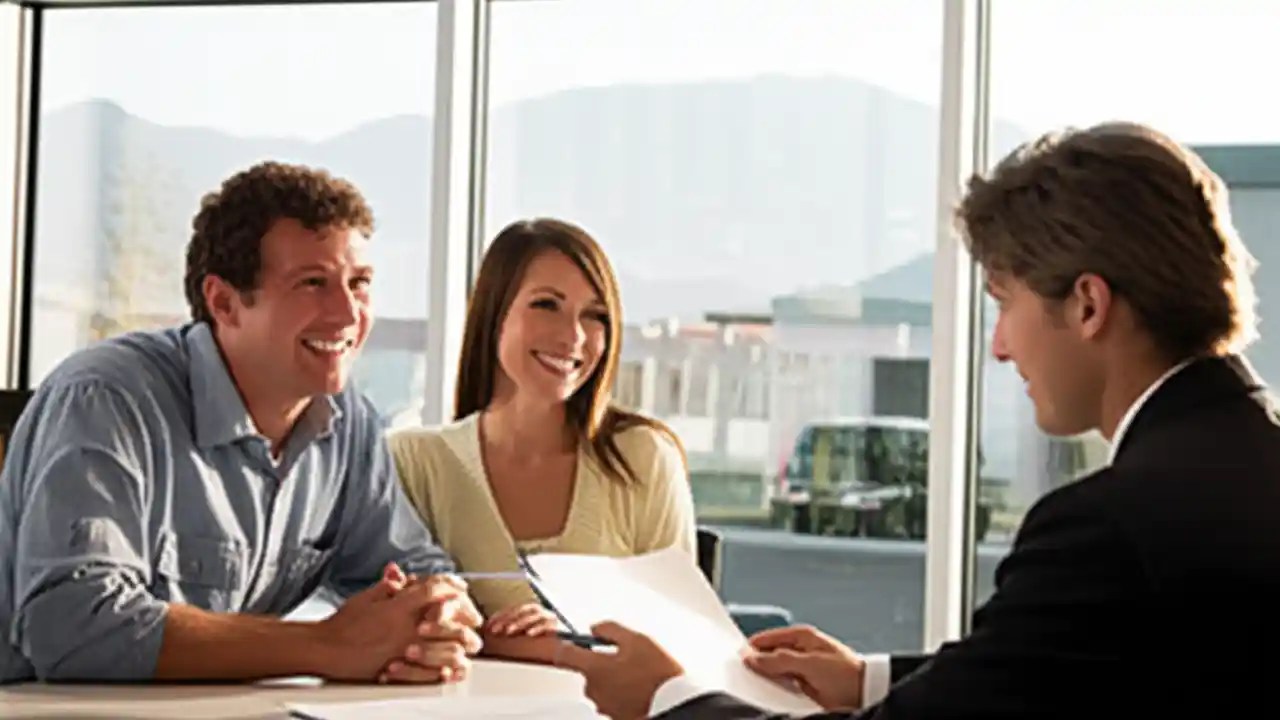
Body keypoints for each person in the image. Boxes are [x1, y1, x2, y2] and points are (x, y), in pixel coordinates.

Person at [554, 121, 1280, 718]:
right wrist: (873, 681)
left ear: (1088, 305)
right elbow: (1070, 663)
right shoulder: (1249, 458)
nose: (998, 347)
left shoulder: (1109, 526)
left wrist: (669, 699)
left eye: (1005, 304)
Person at [0, 161, 481, 684]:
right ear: (224, 302)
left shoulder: (348, 427)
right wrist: (325, 645)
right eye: (313, 283)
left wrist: (435, 617)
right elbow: (72, 626)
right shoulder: (105, 399)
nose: (347, 315)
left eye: (359, 283)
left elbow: (420, 573)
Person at [386, 218, 697, 664]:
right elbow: (399, 627)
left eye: (595, 316)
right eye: (547, 305)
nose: (574, 336)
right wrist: (535, 643)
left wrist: (567, 634)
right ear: (494, 315)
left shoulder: (642, 457)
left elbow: (683, 635)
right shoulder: (415, 462)